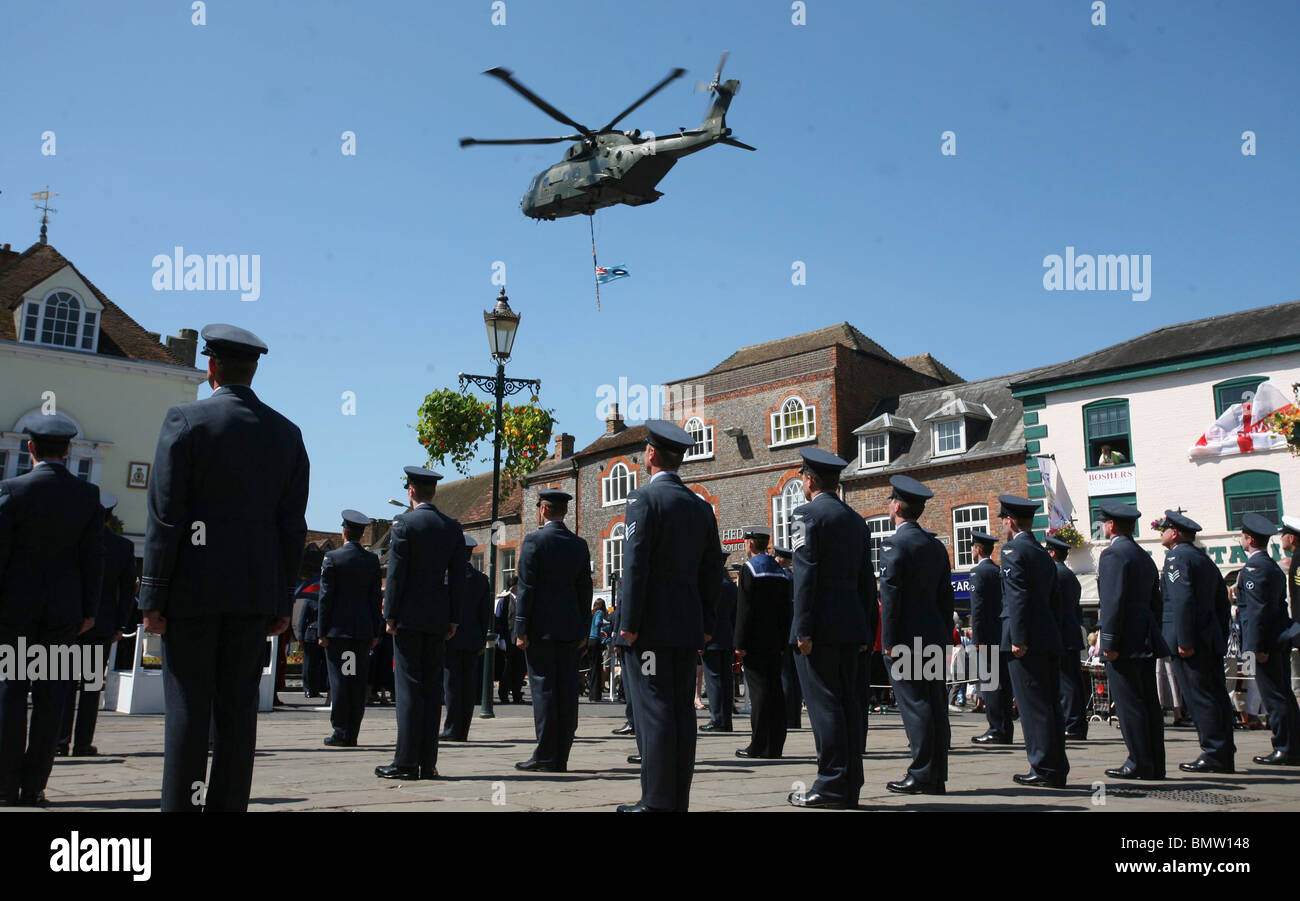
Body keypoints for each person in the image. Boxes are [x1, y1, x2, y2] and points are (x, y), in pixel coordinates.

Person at [140, 324, 309, 812]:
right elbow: (291, 527)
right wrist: (281, 599)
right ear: (253, 371)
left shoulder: (186, 421)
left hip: (191, 593)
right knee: (238, 714)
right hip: (252, 596)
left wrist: (152, 597)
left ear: (210, 367)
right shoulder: (286, 433)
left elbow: (165, 516)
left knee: (189, 710)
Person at [616, 421, 722, 813]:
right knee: (680, 713)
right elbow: (713, 569)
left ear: (652, 454)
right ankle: (676, 798)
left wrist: (628, 621)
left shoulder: (643, 500)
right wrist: (708, 624)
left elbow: (635, 564)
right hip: (686, 628)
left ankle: (656, 800)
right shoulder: (700, 508)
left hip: (651, 630)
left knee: (655, 710)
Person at [0, 413, 102, 806]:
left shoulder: (11, 490)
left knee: (11, 695)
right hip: (62, 614)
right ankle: (34, 785)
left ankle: (5, 784)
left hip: (15, 612)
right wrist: (88, 610)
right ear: (69, 450)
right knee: (49, 699)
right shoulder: (87, 497)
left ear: (31, 449)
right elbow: (93, 559)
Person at [374, 466, 465, 781]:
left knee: (410, 688)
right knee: (432, 688)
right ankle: (428, 762)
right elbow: (457, 580)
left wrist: (390, 615)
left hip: (410, 617)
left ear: (410, 490)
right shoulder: (452, 528)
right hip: (439, 618)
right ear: (433, 492)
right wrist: (453, 616)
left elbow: (396, 574)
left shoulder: (405, 524)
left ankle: (406, 761)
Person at [878, 475, 950, 797]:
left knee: (915, 705)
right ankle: (936, 775)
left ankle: (921, 773)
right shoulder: (935, 546)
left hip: (905, 639)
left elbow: (891, 597)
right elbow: (945, 597)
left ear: (896, 506)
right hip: (933, 636)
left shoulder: (895, 544)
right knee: (935, 706)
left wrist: (890, 641)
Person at [514, 489, 593, 773]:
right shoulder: (579, 544)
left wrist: (520, 627)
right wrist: (584, 627)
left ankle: (545, 754)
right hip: (571, 629)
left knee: (544, 691)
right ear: (564, 511)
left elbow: (526, 589)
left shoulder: (534, 541)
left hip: (541, 630)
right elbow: (586, 590)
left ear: (544, 510)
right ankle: (561, 755)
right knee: (567, 693)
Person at [997, 495, 1069, 788]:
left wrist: (1019, 637)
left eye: (1003, 520)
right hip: (1048, 636)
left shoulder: (1014, 550)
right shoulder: (1041, 552)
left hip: (1026, 639)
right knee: (1050, 705)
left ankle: (1043, 767)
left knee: (1033, 706)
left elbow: (1017, 596)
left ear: (1010, 521)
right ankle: (1055, 765)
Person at [1155, 510, 1235, 773]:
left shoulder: (1177, 558)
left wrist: (1185, 639)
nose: (1162, 533)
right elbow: (1222, 604)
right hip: (1208, 639)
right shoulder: (1203, 559)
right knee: (1215, 695)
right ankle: (1223, 750)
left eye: (1164, 529)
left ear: (1174, 533)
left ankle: (1214, 752)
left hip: (1191, 642)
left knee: (1200, 697)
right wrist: (1218, 636)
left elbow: (1182, 600)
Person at [58, 489, 135, 758]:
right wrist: (120, 626)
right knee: (91, 687)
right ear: (110, 516)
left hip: (70, 622)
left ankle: (60, 739)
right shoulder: (123, 547)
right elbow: (126, 593)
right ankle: (82, 743)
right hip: (100, 627)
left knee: (64, 684)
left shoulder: (72, 543)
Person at [1096, 498, 1167, 780]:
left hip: (1124, 641)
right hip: (1145, 639)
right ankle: (1154, 762)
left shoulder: (1114, 555)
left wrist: (1109, 642)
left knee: (1129, 705)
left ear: (1111, 526)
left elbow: (1112, 602)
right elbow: (1156, 602)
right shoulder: (1143, 555)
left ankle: (1138, 761)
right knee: (1149, 703)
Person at [1236, 513, 1300, 765]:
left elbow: (1257, 611)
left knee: (1275, 696)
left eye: (1242, 536)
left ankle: (1285, 746)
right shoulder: (1270, 565)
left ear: (1249, 539)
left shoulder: (1255, 568)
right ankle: (1291, 745)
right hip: (1275, 639)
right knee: (1281, 694)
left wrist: (1256, 647)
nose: (1240, 540)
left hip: (1267, 644)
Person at [318, 510, 383, 747]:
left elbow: (326, 597)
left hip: (338, 631)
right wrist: (375, 631)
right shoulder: (371, 560)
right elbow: (375, 599)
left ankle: (341, 730)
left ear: (343, 532)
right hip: (363, 632)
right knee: (356, 682)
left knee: (340, 681)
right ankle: (352, 730)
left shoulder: (332, 558)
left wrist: (322, 631)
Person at [734, 527, 792, 759]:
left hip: (755, 640)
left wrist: (740, 641)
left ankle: (758, 743)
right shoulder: (779, 570)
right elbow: (786, 608)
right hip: (776, 640)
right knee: (775, 691)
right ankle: (775, 744)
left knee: (759, 694)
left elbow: (744, 609)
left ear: (749, 544)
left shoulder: (750, 569)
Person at [442, 537, 491, 741]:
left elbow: (443, 609)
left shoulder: (446, 577)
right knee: (468, 686)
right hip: (473, 639)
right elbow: (484, 613)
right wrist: (482, 639)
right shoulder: (481, 579)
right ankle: (463, 729)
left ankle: (452, 728)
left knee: (452, 684)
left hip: (450, 637)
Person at [969, 530, 1012, 745]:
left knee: (991, 683)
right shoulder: (999, 571)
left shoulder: (978, 573)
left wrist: (978, 637)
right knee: (1003, 682)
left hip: (987, 635)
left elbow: (977, 609)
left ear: (977, 550)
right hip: (1002, 634)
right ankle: (1006, 728)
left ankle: (996, 728)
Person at [1046, 535, 1088, 740]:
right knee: (1072, 681)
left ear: (1052, 553)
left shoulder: (1055, 574)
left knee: (1066, 683)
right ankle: (1076, 723)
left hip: (1061, 634)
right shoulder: (1070, 575)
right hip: (1070, 632)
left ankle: (1072, 725)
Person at [700, 558, 736, 733]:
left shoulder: (707, 586)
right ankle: (726, 720)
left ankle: (717, 719)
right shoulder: (730, 585)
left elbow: (701, 613)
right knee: (727, 680)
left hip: (710, 638)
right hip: (727, 638)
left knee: (713, 680)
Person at [773, 547, 803, 729]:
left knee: (785, 676)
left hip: (785, 631)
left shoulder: (783, 578)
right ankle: (794, 717)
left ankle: (787, 716)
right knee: (796, 677)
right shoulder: (795, 577)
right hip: (796, 630)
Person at [295, 577, 325, 699]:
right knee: (309, 665)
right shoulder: (310, 600)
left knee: (320, 666)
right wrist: (300, 637)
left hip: (324, 637)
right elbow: (302, 620)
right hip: (311, 636)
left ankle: (316, 689)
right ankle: (308, 689)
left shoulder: (328, 599)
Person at [586, 599, 609, 702]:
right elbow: (597, 623)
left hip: (590, 640)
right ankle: (596, 696)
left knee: (592, 668)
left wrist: (600, 632)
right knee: (597, 668)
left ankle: (592, 695)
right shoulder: (599, 612)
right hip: (596, 641)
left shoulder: (593, 612)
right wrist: (607, 623)